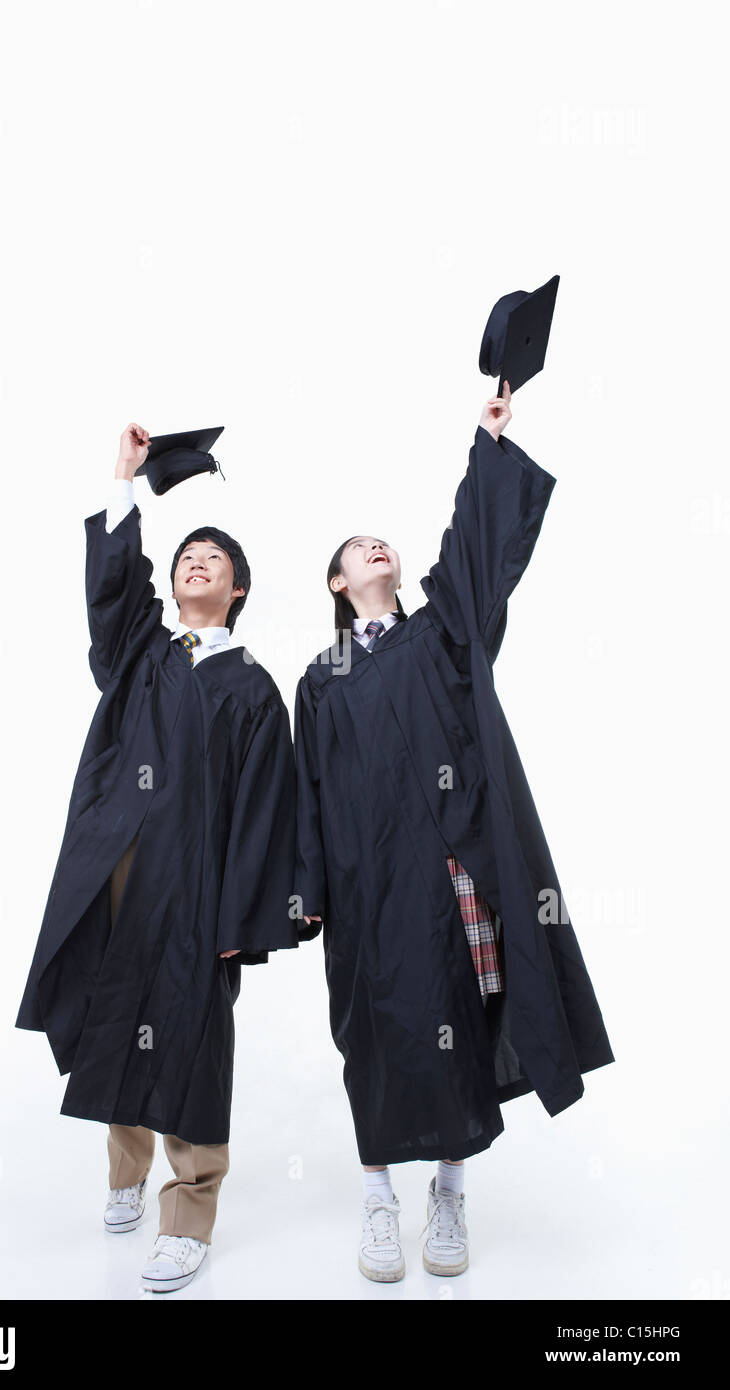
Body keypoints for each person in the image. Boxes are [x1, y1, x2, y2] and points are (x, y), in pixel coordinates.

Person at [293, 383, 614, 1283]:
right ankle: (377, 1203)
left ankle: (449, 1192)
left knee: (457, 1023)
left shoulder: (443, 634)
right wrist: (308, 891)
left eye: (381, 540)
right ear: (337, 583)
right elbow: (308, 794)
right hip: (367, 883)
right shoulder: (322, 678)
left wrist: (487, 440)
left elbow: (473, 552)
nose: (375, 546)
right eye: (357, 548)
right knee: (374, 1033)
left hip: (449, 866)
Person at [16, 422, 313, 1294]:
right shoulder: (139, 651)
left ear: (239, 588)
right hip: (115, 863)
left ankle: (189, 1211)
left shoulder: (255, 690)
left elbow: (266, 813)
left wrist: (241, 920)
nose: (197, 560)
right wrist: (127, 484)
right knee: (115, 1010)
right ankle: (124, 1171)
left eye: (214, 557)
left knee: (188, 1035)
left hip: (196, 886)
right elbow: (111, 589)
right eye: (187, 554)